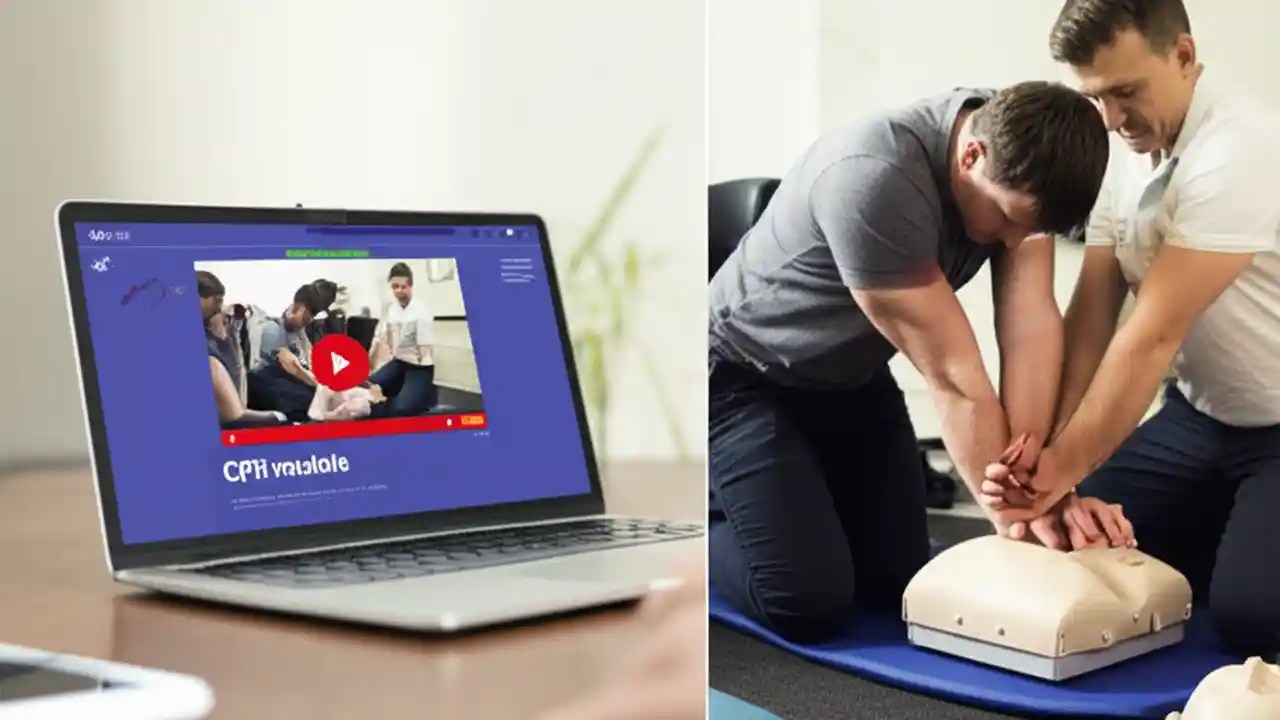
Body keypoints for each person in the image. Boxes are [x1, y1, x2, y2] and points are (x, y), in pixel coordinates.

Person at [707, 80, 1130, 642]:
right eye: (1008, 220)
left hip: (851, 377)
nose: (1016, 240)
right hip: (745, 378)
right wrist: (1018, 518)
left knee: (898, 581)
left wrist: (1040, 485)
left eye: (1032, 229)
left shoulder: (1025, 159)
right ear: (971, 156)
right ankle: (698, 518)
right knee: (806, 601)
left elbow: (1029, 329)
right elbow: (956, 379)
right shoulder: (874, 177)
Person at [984, 0, 1280, 658]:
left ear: (1183, 55)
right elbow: (1091, 316)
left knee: (1252, 616)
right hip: (1198, 419)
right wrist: (1053, 468)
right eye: (1095, 98)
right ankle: (1232, 528)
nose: (1112, 120)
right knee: (1073, 547)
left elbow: (1149, 337)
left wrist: (1057, 473)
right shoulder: (1122, 152)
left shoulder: (1242, 149)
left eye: (1125, 92)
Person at [246, 284, 324, 421]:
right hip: (264, 379)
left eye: (313, 315)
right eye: (309, 314)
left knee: (315, 395)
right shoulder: (271, 329)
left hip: (284, 378)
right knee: (308, 398)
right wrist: (318, 385)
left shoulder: (299, 333)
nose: (310, 320)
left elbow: (310, 359)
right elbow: (288, 364)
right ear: (297, 306)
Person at [369, 262, 438, 416]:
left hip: (419, 367)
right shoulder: (391, 309)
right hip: (399, 362)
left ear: (410, 286)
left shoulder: (421, 311)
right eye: (395, 287)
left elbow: (424, 349)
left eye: (403, 287)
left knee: (402, 410)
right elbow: (380, 338)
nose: (399, 291)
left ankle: (425, 396)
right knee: (367, 386)